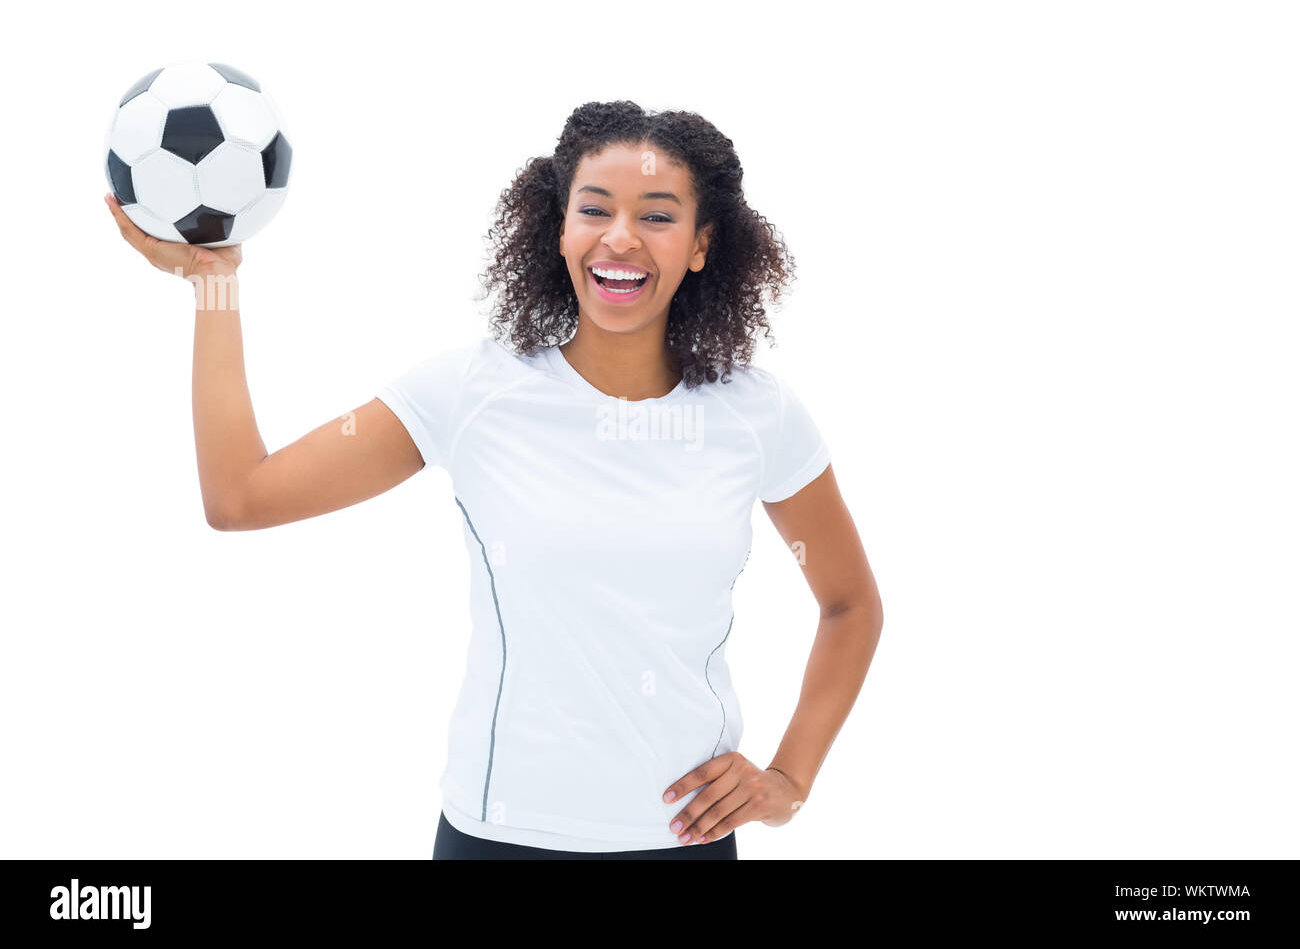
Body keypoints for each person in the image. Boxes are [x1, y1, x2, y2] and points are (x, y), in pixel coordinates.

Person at [105, 100, 884, 860]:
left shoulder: (757, 414)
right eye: (594, 209)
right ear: (560, 230)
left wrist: (789, 779)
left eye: (656, 215)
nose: (620, 238)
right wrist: (214, 282)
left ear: (702, 243)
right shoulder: (472, 393)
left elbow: (849, 604)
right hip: (497, 839)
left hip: (683, 843)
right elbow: (242, 496)